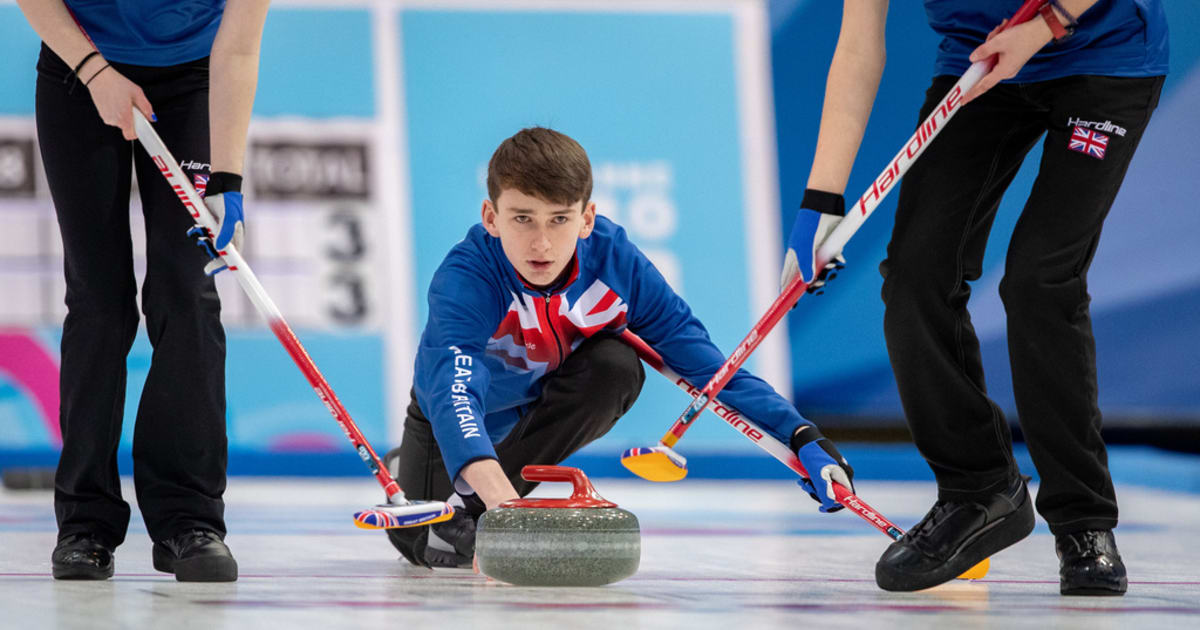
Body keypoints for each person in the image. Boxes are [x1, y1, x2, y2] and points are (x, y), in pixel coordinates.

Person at [782, 0, 1167, 595]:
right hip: (980, 62)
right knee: (915, 276)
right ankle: (979, 491)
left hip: (1104, 56)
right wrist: (820, 204)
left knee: (1041, 279)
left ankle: (1083, 523)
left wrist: (1043, 27)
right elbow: (858, 44)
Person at [384, 127, 855, 568]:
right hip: (451, 420)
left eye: (559, 219)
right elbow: (454, 392)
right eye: (522, 218)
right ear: (491, 217)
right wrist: (506, 508)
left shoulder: (614, 262)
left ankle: (470, 500)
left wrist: (802, 436)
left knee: (616, 366)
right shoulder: (467, 277)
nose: (541, 243)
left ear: (586, 219)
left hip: (534, 414)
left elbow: (705, 366)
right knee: (424, 546)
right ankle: (418, 467)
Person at [17, 0, 271, 582]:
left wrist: (227, 180)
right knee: (99, 300)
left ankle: (190, 519)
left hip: (193, 80)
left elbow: (237, 48)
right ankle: (85, 523)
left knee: (188, 293)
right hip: (79, 71)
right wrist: (95, 71)